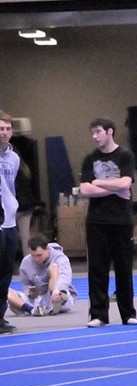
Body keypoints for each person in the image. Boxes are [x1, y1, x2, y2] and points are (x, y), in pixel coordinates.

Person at [78, 117, 137, 328]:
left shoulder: (125, 155)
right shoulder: (89, 158)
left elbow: (126, 183)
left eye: (98, 132)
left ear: (110, 131)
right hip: (96, 222)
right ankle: (98, 314)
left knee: (124, 268)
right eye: (92, 133)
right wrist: (115, 188)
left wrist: (98, 182)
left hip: (121, 221)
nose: (94, 136)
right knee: (97, 269)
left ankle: (128, 313)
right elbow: (84, 190)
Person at [7, 233, 76, 316]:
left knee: (53, 268)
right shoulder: (26, 262)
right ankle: (32, 310)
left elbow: (65, 278)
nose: (36, 259)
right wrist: (30, 292)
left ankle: (52, 306)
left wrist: (56, 290)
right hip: (37, 299)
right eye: (33, 255)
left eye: (39, 255)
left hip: (57, 296)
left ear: (47, 248)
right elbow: (25, 284)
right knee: (5, 291)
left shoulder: (60, 258)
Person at [0, 112, 21, 334]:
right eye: (0, 128)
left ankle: (0, 317)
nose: (4, 132)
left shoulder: (14, 158)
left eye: (7, 128)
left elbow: (10, 188)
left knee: (6, 272)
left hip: (9, 221)